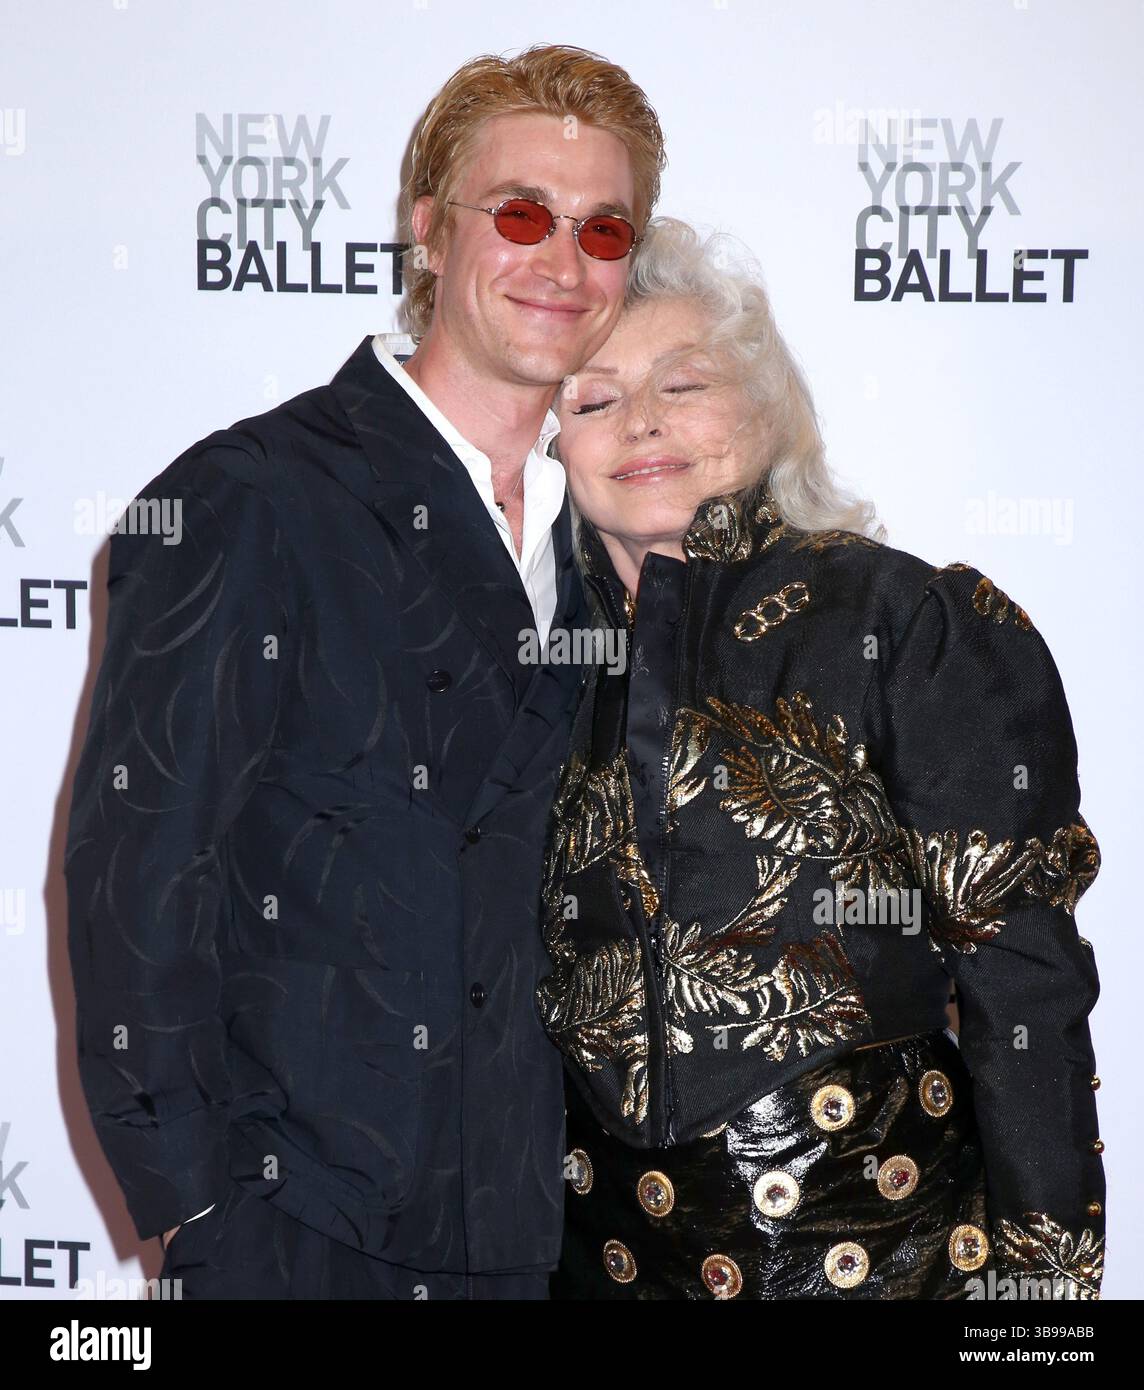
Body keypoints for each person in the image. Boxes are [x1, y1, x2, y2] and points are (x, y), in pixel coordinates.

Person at [63, 43, 665, 1299]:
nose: (562, 261)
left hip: (535, 1233)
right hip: (299, 1233)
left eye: (603, 231)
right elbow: (140, 872)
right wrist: (198, 1213)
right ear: (428, 233)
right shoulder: (251, 497)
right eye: (519, 215)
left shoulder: (615, 542)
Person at [535, 217, 1106, 1299]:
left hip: (897, 1264)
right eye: (595, 397)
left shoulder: (907, 619)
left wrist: (1043, 1298)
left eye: (685, 383)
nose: (643, 421)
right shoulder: (523, 670)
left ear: (764, 406)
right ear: (550, 443)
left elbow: (1021, 977)